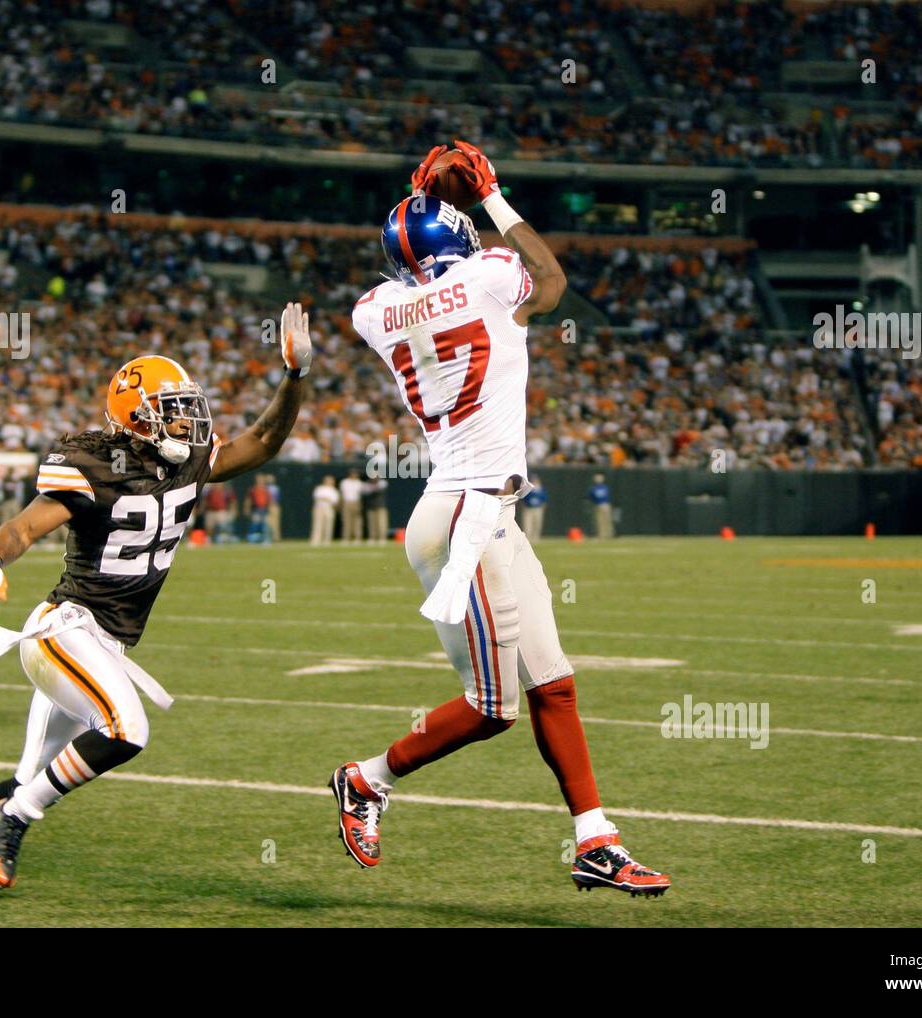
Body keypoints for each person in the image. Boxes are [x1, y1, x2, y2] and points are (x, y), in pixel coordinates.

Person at [0, 304, 314, 901]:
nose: (189, 423)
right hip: (64, 629)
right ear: (136, 417)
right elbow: (24, 528)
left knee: (33, 777)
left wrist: (293, 377)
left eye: (190, 409)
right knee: (124, 729)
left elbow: (263, 440)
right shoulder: (93, 464)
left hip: (103, 643)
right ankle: (19, 819)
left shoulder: (188, 459)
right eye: (174, 411)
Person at [331, 141, 668, 897]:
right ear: (463, 236)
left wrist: (423, 215)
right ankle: (366, 779)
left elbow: (410, 266)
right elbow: (550, 279)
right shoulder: (489, 278)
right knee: (493, 708)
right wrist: (492, 196)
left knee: (554, 681)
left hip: (476, 509)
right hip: (464, 519)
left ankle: (596, 840)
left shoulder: (374, 311)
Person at [310, 475, 339, 545]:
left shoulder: (334, 490)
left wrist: (325, 499)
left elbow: (334, 501)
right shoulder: (319, 488)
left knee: (328, 524)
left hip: (329, 508)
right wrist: (327, 499)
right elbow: (317, 497)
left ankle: (327, 540)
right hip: (319, 507)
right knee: (318, 524)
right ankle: (316, 540)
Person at [339, 469, 364, 543]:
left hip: (356, 502)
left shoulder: (359, 483)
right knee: (346, 521)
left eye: (355, 474)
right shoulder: (344, 482)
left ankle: (357, 538)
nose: (354, 475)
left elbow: (361, 494)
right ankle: (346, 538)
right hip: (347, 502)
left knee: (357, 521)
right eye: (353, 474)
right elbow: (342, 494)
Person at [519, 474, 547, 541]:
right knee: (527, 525)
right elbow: (523, 498)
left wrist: (542, 508)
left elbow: (544, 500)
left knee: (537, 524)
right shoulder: (528, 489)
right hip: (528, 508)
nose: (534, 481)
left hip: (538, 509)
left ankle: (535, 539)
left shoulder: (541, 489)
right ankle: (527, 539)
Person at [364, 476, 389, 543]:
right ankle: (372, 538)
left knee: (381, 523)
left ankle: (382, 538)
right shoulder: (367, 484)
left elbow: (378, 490)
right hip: (371, 507)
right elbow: (366, 491)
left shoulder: (382, 483)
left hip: (381, 506)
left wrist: (373, 488)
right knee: (372, 524)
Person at [588, 473, 614, 539]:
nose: (598, 480)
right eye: (597, 478)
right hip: (597, 505)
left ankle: (609, 534)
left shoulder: (605, 487)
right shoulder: (593, 488)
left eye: (599, 478)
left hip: (605, 505)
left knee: (607, 520)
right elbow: (591, 497)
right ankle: (600, 535)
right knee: (599, 521)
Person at [265, 473, 282, 542]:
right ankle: (268, 537)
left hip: (274, 506)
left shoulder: (275, 488)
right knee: (268, 522)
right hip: (267, 506)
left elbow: (277, 498)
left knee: (276, 523)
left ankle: (276, 538)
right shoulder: (265, 488)